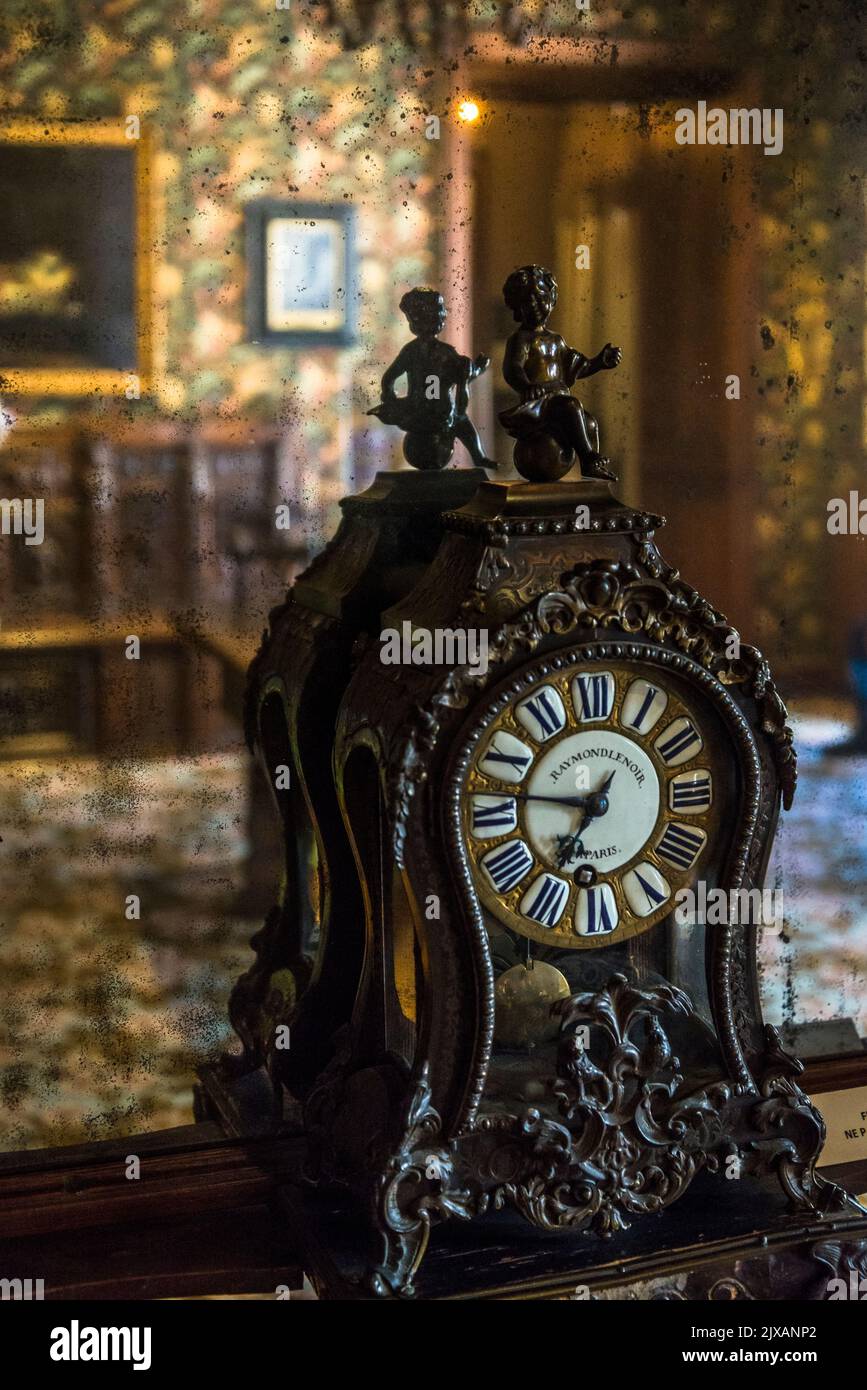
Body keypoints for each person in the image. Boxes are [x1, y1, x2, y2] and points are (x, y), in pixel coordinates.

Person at [499, 264, 621, 481]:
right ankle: (589, 457)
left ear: (551, 299)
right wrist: (527, 386)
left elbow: (576, 366)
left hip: (559, 400)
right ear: (518, 306)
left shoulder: (556, 340)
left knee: (590, 422)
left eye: (540, 297)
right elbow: (512, 369)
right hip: (539, 405)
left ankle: (589, 466)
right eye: (528, 300)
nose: (535, 305)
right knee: (571, 406)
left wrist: (599, 362)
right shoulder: (521, 340)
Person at [369, 287, 496, 471]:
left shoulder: (423, 351)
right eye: (436, 312)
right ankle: (478, 457)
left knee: (463, 424)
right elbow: (426, 386)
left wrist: (390, 395)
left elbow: (390, 378)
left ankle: (479, 457)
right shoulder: (431, 352)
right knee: (463, 424)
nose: (441, 315)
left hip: (433, 412)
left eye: (440, 311)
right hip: (435, 415)